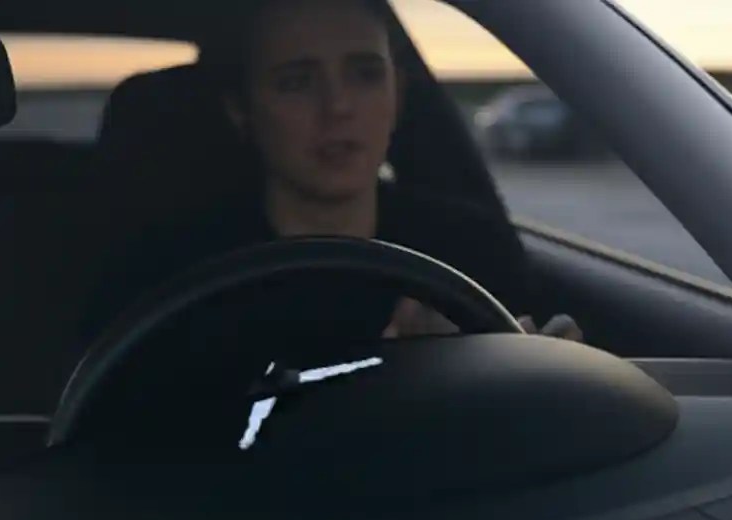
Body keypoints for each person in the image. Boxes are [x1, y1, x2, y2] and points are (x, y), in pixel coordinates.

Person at [75, 0, 581, 363]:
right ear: (242, 112)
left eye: (364, 74)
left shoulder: (468, 249)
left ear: (398, 95)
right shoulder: (168, 279)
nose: (338, 107)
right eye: (297, 81)